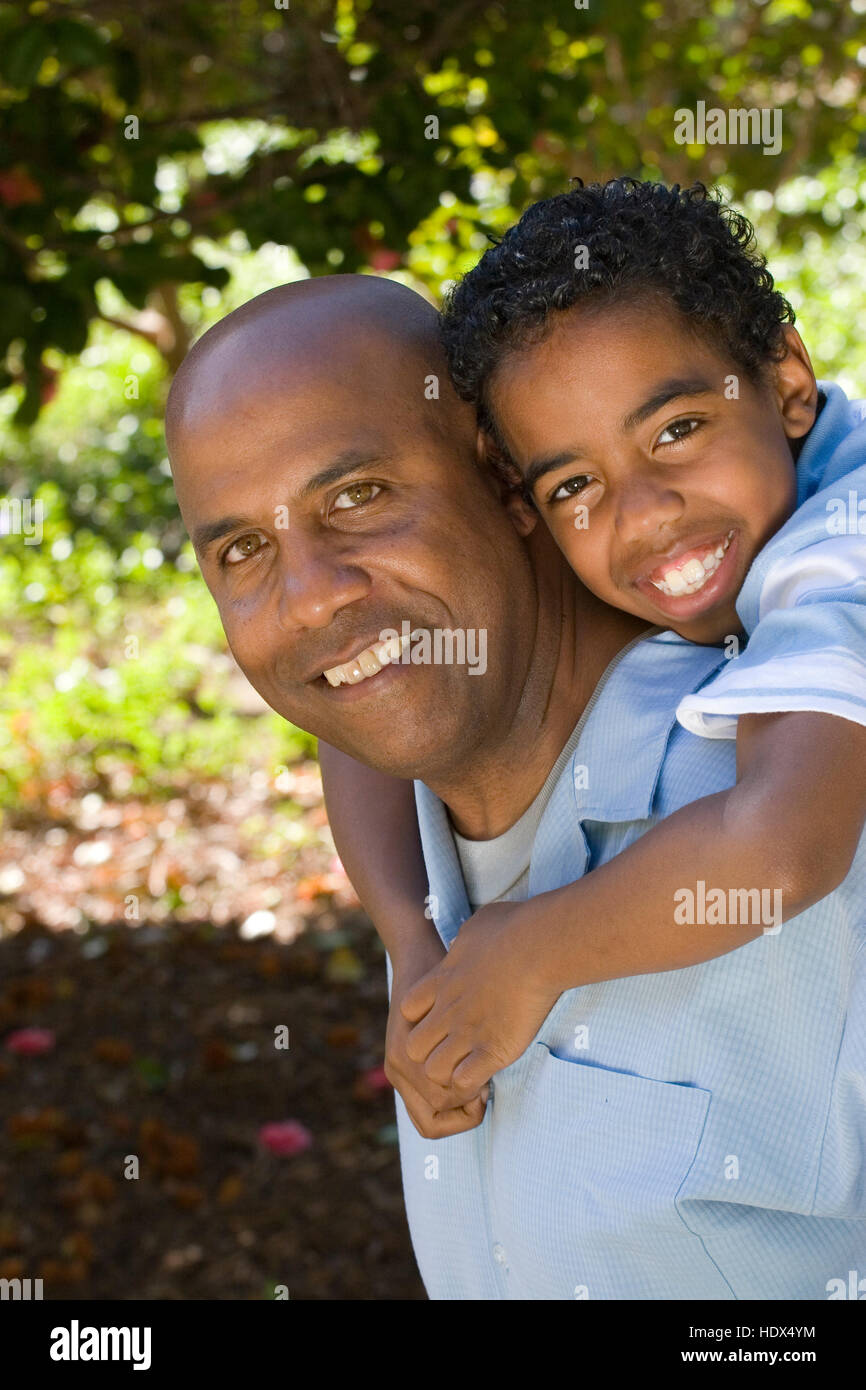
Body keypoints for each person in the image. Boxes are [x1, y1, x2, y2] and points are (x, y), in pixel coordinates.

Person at [165, 271, 866, 1299]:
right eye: (243, 550)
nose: (311, 598)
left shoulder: (804, 779)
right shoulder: (419, 806)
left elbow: (780, 844)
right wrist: (412, 943)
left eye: (358, 497)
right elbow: (353, 702)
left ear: (503, 479)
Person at [321, 180, 866, 1136]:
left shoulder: (843, 553)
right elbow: (375, 693)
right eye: (575, 482)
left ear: (785, 381)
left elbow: (781, 849)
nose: (644, 511)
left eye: (678, 430)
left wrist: (528, 952)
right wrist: (419, 952)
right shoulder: (688, 521)